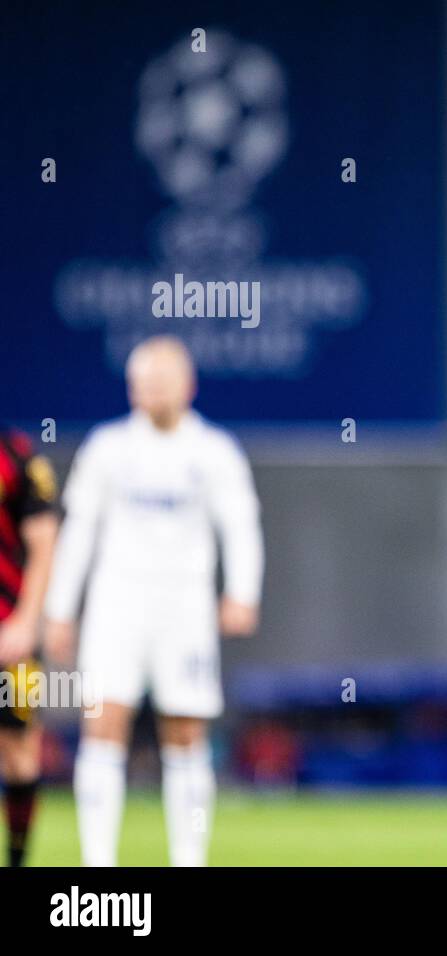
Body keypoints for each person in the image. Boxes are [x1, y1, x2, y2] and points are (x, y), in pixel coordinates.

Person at [44, 336, 263, 866]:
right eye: (143, 381)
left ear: (187, 385)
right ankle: (99, 865)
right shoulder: (107, 448)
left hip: (184, 607)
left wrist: (241, 592)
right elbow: (79, 531)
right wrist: (59, 609)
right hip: (117, 603)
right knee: (103, 726)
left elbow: (240, 524)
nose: (151, 390)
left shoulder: (213, 451)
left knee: (186, 734)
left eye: (162, 379)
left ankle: (188, 859)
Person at [0, 427, 60, 865]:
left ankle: (18, 858)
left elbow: (44, 543)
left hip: (9, 632)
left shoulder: (17, 454)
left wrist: (26, 620)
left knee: (19, 750)